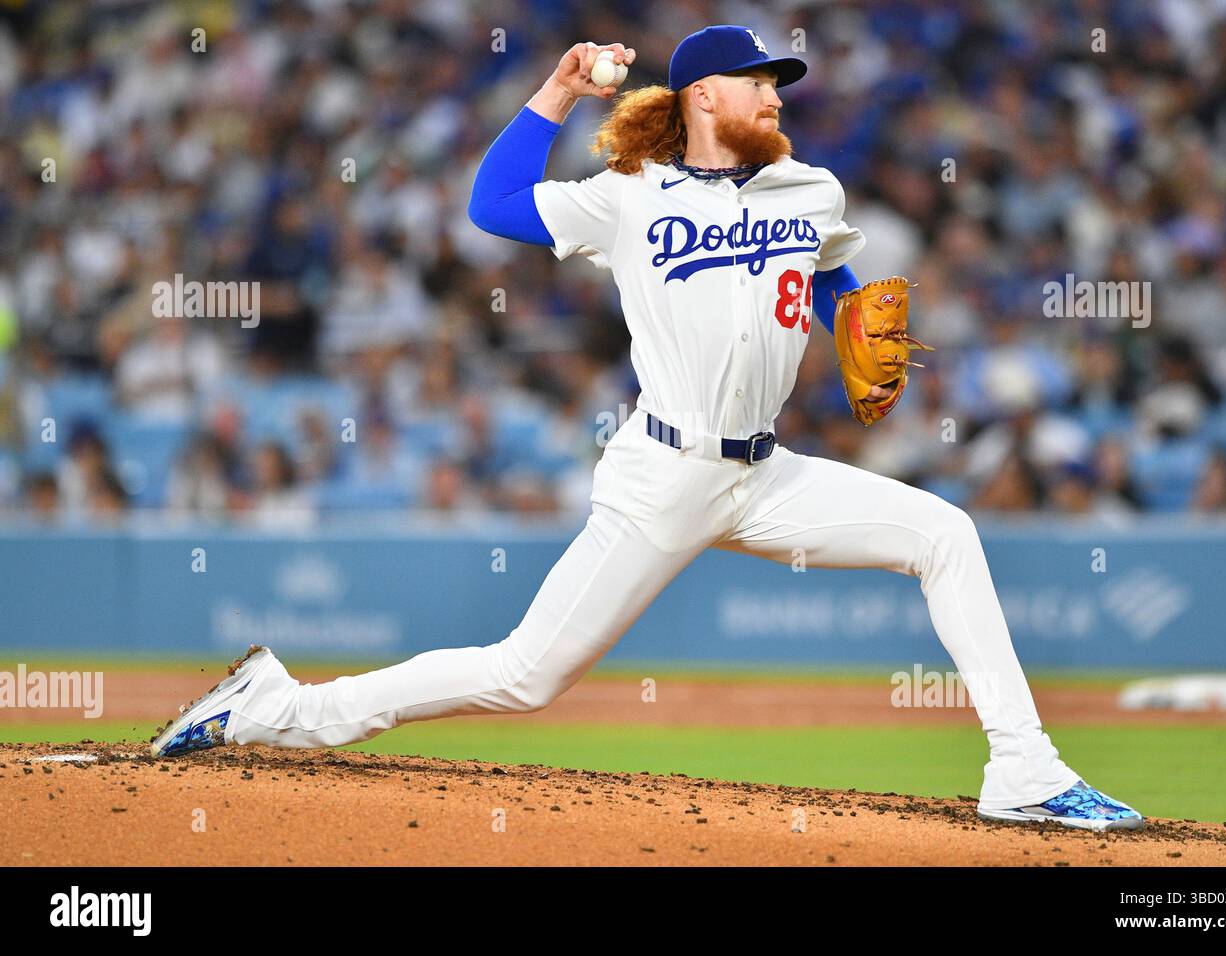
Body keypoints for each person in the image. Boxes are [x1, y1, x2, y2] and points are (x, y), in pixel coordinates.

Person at [152, 26, 1142, 832]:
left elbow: (834, 266)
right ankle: (277, 706)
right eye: (761, 84)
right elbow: (491, 203)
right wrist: (557, 90)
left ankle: (1023, 768)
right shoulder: (630, 197)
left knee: (945, 534)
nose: (777, 99)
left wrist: (850, 318)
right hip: (662, 474)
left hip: (768, 476)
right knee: (523, 676)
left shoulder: (811, 190)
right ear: (705, 95)